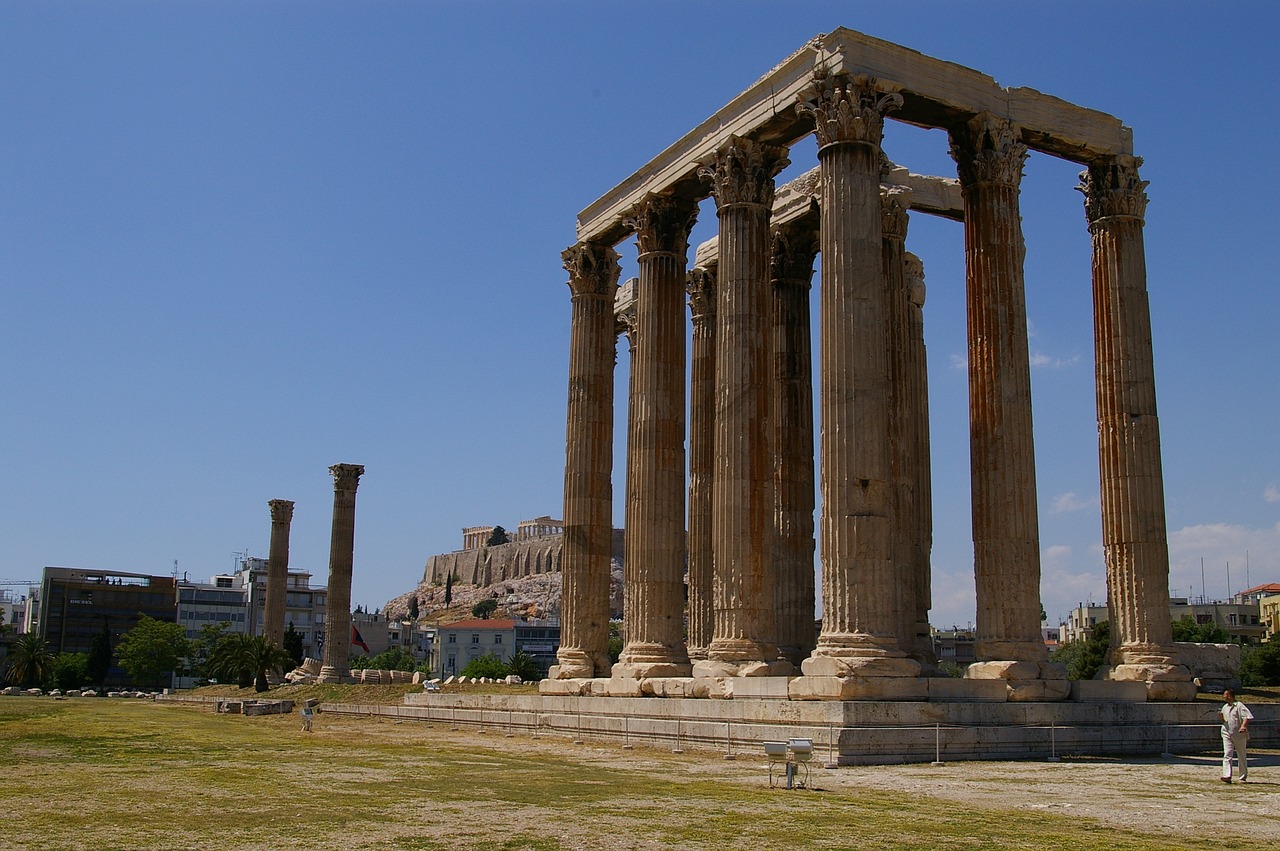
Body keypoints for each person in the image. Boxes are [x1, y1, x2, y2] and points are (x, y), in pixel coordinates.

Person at [1219, 689, 1252, 783]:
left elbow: (1247, 716)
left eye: (1225, 695)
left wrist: (1243, 726)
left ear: (1230, 696)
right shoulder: (1225, 707)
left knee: (1241, 754)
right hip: (1226, 732)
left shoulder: (1239, 705)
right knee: (1227, 753)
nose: (1223, 696)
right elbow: (1224, 720)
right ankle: (1227, 775)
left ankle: (1242, 777)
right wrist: (1220, 717)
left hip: (1238, 734)